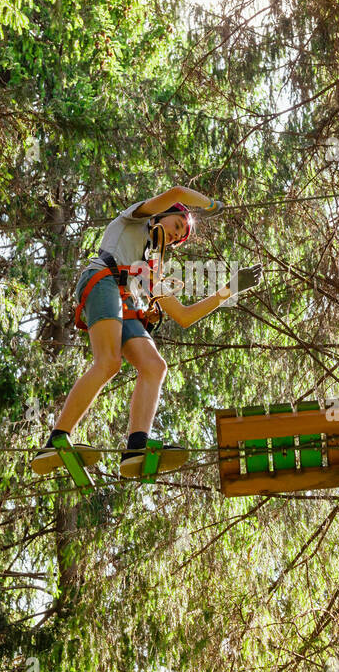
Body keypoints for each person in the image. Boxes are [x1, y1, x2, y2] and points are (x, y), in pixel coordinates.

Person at [31, 185, 262, 478]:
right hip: (101, 280)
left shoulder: (150, 266)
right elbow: (177, 192)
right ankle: (57, 439)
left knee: (155, 366)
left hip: (121, 298)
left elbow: (184, 315)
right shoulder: (135, 218)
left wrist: (228, 291)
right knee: (109, 362)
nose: (177, 236)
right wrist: (210, 204)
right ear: (160, 215)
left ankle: (136, 445)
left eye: (180, 238)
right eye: (177, 226)